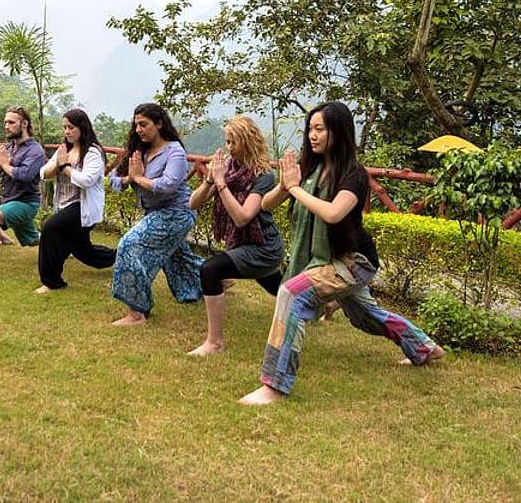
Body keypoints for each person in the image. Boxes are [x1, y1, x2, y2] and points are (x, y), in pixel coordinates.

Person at [239, 101, 444, 405]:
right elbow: (266, 205)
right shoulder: (310, 169)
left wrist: (296, 190)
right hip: (326, 260)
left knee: (292, 295)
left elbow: (334, 214)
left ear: (339, 131)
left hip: (353, 261)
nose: (312, 135)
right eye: (310, 129)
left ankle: (275, 385)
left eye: (320, 129)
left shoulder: (354, 175)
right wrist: (285, 187)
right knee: (364, 316)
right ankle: (425, 347)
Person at [186, 114, 284, 356]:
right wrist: (210, 180)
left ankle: (214, 342)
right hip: (241, 244)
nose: (229, 148)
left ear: (248, 142)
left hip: (262, 246)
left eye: (233, 142)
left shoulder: (263, 176)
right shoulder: (228, 169)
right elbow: (193, 203)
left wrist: (220, 185)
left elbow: (242, 217)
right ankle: (328, 303)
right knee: (284, 291)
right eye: (227, 142)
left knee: (210, 270)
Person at [108, 102, 203, 326]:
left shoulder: (174, 152)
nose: (139, 129)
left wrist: (139, 178)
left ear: (159, 123)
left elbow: (168, 185)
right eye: (136, 125)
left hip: (177, 213)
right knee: (180, 258)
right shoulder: (138, 150)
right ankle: (216, 278)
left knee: (129, 245)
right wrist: (130, 178)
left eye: (144, 124)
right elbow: (113, 178)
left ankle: (136, 313)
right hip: (153, 214)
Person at [35, 108, 115, 294]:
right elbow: (43, 173)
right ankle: (121, 255)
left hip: (83, 206)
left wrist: (64, 167)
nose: (67, 132)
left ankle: (52, 281)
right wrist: (58, 164)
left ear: (82, 127)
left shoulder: (93, 153)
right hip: (64, 205)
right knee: (84, 251)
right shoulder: (64, 149)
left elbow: (86, 181)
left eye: (71, 127)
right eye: (64, 127)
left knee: (50, 229)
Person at [0, 106, 46, 279]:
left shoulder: (35, 150)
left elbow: (25, 176)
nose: (6, 126)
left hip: (27, 203)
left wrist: (5, 166)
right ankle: (64, 244)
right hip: (9, 201)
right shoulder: (7, 149)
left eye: (11, 122)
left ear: (24, 124)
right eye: (5, 122)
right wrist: (0, 165)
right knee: (33, 240)